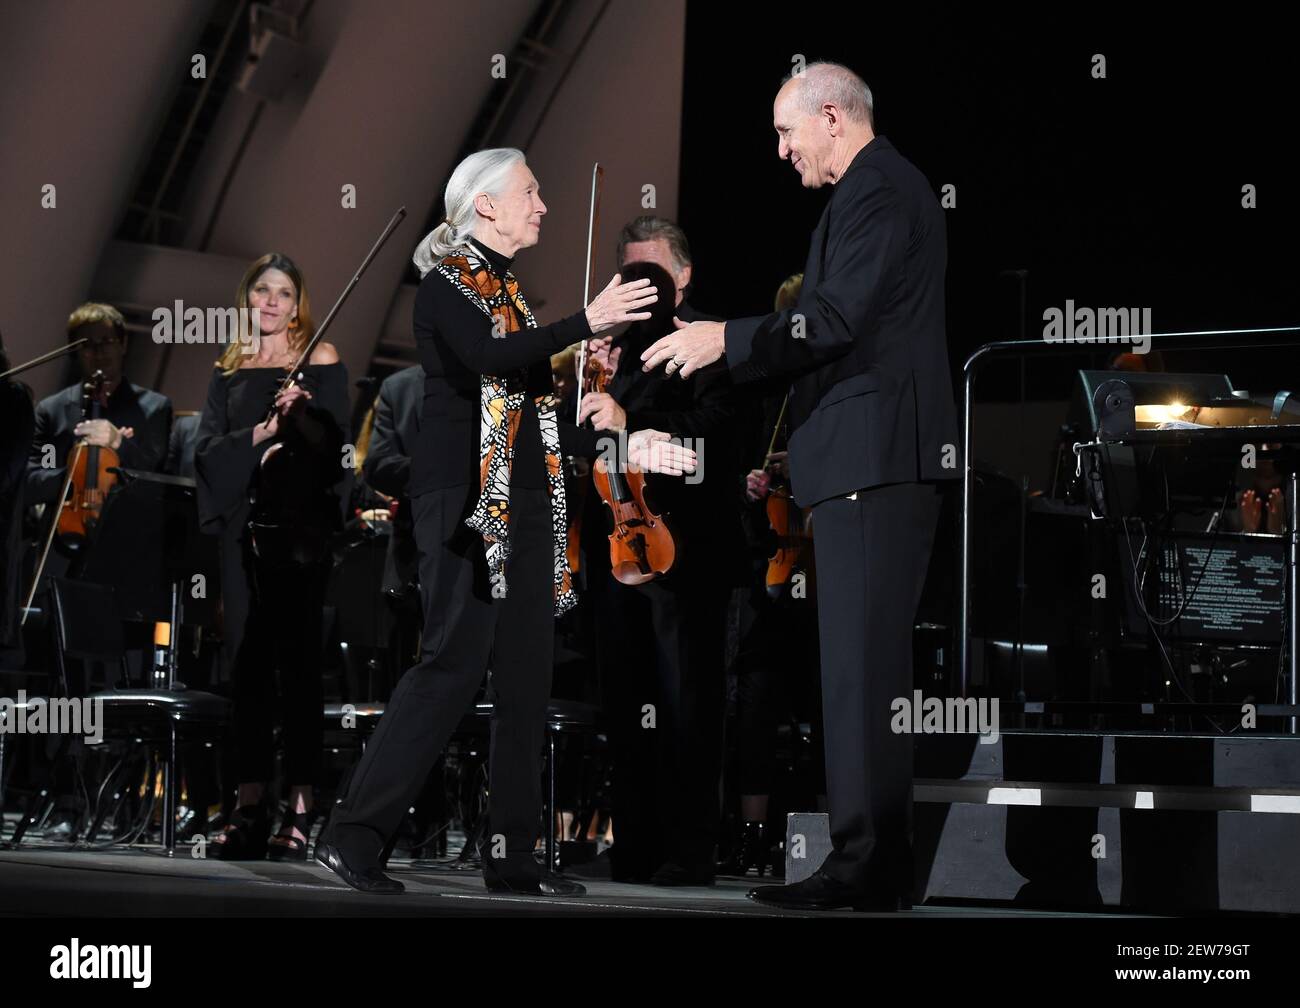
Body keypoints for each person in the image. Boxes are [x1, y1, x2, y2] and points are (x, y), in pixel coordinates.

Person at [315, 147, 696, 897]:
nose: (544, 207)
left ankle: (513, 851)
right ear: (485, 205)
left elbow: (539, 424)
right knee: (453, 664)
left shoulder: (514, 296)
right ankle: (351, 834)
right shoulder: (446, 285)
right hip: (462, 499)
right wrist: (584, 321)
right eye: (530, 193)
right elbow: (492, 358)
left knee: (526, 679)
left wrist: (625, 439)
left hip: (525, 505)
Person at [642, 63, 960, 910]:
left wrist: (726, 340)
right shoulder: (869, 192)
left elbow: (835, 319)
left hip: (878, 457)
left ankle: (866, 867)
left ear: (832, 115)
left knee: (861, 676)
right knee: (857, 673)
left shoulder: (877, 189)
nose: (781, 152)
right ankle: (872, 864)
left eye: (787, 133)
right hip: (865, 457)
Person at [577, 216, 749, 885]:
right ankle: (635, 843)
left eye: (652, 273)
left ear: (683, 276)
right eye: (630, 276)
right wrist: (590, 399)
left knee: (687, 706)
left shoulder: (706, 343)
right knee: (626, 705)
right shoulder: (611, 354)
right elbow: (592, 451)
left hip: (689, 554)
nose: (641, 287)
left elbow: (716, 447)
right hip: (621, 550)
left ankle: (690, 849)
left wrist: (633, 422)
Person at [194, 253, 349, 861]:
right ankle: (249, 803)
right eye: (262, 291)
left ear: (298, 303)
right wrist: (261, 433)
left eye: (284, 293)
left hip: (299, 532)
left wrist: (302, 418)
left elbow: (335, 448)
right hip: (242, 531)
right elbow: (206, 451)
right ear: (247, 298)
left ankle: (303, 804)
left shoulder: (322, 360)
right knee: (247, 670)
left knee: (299, 667)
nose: (271, 302)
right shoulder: (227, 370)